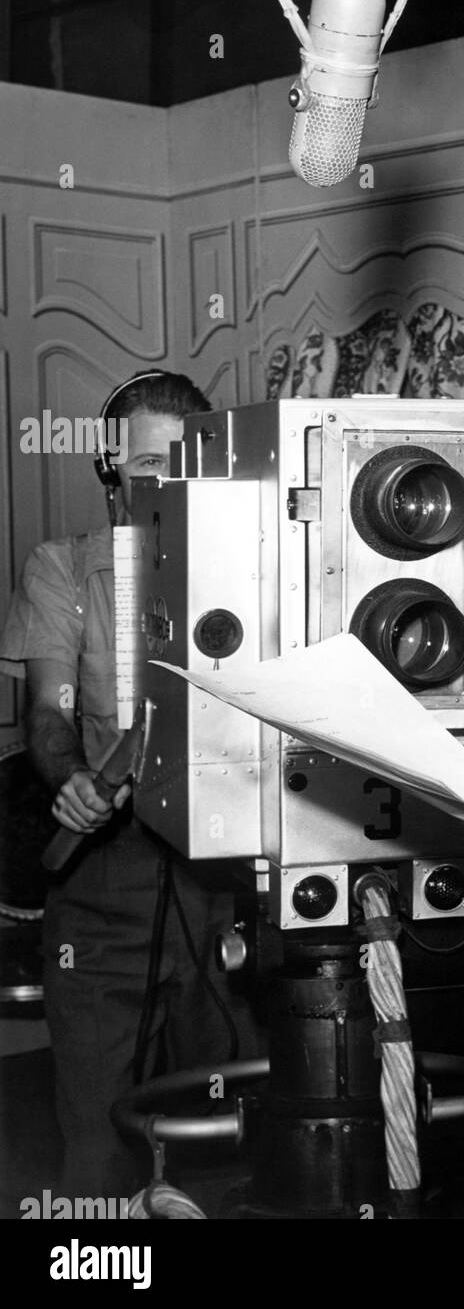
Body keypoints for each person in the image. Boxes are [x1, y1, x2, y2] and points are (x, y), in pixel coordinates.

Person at [0, 371, 255, 1199]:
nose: (165, 486)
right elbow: (47, 710)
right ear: (111, 473)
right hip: (103, 894)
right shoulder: (64, 573)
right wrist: (71, 775)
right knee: (100, 1154)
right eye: (146, 467)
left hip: (223, 890)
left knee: (230, 1145)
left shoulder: (249, 570)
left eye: (183, 466)